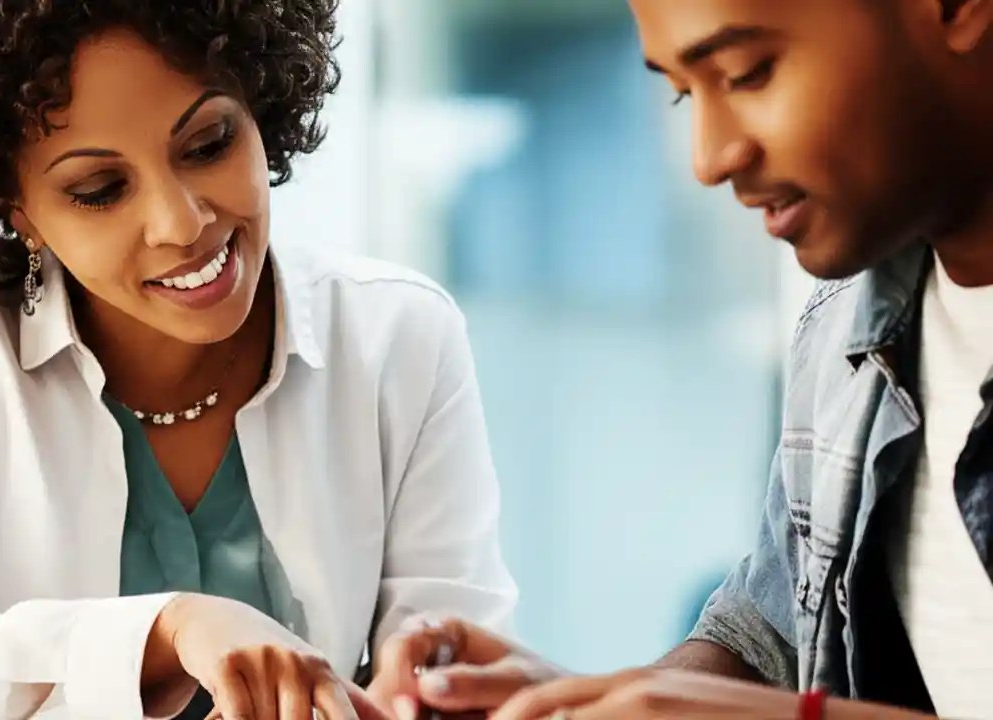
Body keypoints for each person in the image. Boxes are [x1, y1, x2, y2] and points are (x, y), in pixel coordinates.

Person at [0, 2, 517, 718]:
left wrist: (424, 690)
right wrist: (164, 635)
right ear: (16, 209)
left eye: (209, 144)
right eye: (99, 191)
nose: (181, 222)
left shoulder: (399, 335)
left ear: (260, 106)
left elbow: (455, 657)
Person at [370, 0, 993, 718]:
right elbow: (770, 645)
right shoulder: (844, 331)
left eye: (747, 72)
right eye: (682, 93)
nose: (710, 157)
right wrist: (580, 702)